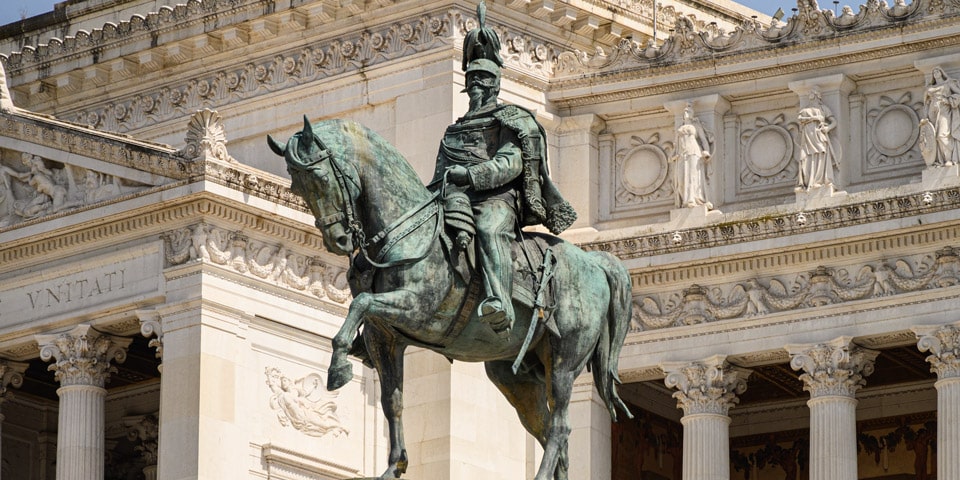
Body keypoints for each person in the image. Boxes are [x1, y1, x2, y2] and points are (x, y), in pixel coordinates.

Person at [430, 1, 575, 335]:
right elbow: (439, 175)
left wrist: (471, 175)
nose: (477, 86)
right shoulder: (454, 130)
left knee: (491, 230)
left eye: (483, 80)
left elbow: (510, 164)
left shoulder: (511, 119)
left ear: (495, 85)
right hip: (456, 197)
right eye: (472, 80)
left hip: (498, 200)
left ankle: (500, 301)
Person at [796, 88, 839, 191]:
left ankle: (819, 181)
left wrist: (827, 128)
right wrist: (814, 119)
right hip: (807, 138)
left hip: (819, 136)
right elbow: (800, 119)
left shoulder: (823, 108)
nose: (810, 95)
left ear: (817, 95)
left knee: (821, 155)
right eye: (810, 93)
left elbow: (834, 122)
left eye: (812, 93)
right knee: (804, 157)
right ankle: (805, 182)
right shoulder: (805, 110)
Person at [672, 102, 713, 209]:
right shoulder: (680, 127)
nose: (686, 113)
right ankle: (684, 200)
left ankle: (692, 200)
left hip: (694, 153)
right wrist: (672, 156)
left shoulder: (696, 126)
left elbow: (703, 140)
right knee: (681, 180)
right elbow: (675, 145)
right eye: (685, 111)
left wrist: (706, 151)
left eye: (688, 111)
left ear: (692, 114)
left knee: (692, 177)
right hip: (682, 155)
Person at [920, 66, 960, 166]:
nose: (936, 72)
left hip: (944, 110)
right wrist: (924, 117)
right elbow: (926, 104)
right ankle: (940, 159)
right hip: (932, 112)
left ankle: (949, 159)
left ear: (942, 72)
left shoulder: (948, 83)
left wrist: (947, 100)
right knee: (934, 137)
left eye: (937, 71)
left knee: (942, 135)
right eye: (934, 72)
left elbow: (958, 95)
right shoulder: (930, 88)